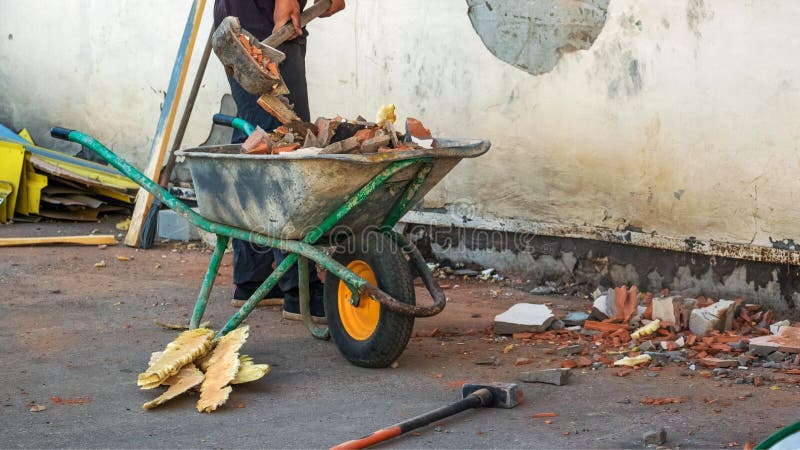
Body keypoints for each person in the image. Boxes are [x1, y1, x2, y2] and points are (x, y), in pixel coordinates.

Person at [213, 0, 345, 322]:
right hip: (262, 16)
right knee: (287, 142)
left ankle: (254, 277)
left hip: (252, 15)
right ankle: (299, 289)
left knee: (256, 138)